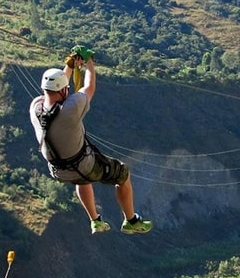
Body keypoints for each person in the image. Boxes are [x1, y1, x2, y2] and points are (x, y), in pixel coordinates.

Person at [29, 51, 152, 235]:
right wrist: (89, 63)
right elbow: (89, 86)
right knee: (122, 173)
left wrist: (69, 67)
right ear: (64, 89)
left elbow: (57, 90)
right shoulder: (71, 108)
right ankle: (131, 220)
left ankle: (95, 220)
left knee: (81, 178)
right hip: (83, 165)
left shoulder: (35, 107)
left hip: (58, 171)